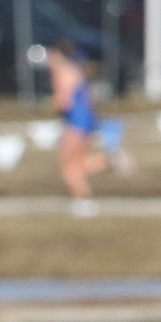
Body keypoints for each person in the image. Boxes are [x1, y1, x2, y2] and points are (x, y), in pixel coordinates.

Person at [48, 40, 107, 206]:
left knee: (68, 166)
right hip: (86, 120)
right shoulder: (75, 70)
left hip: (76, 122)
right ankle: (108, 161)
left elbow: (64, 102)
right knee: (78, 164)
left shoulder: (63, 72)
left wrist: (48, 105)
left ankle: (83, 200)